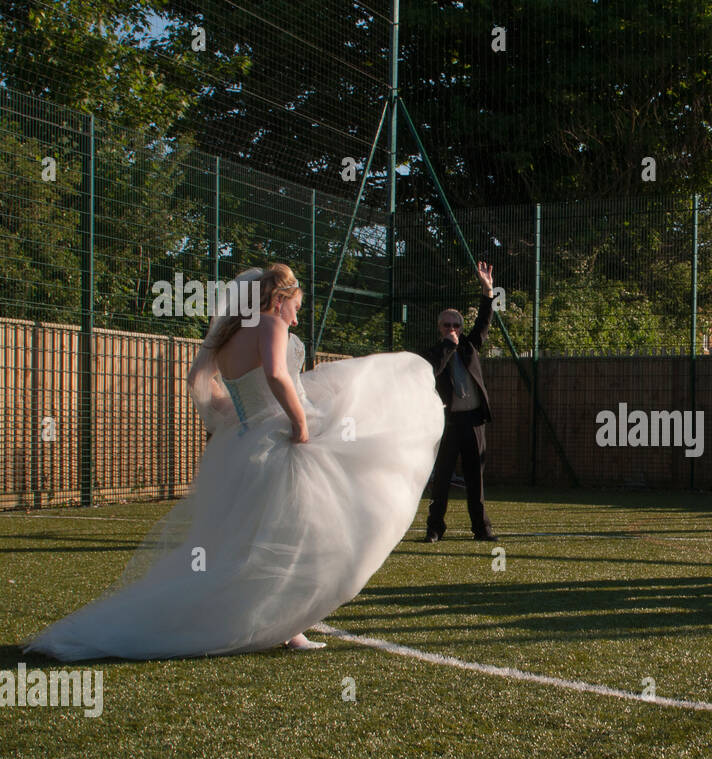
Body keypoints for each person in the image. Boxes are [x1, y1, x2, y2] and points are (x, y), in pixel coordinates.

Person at [25, 265, 442, 660]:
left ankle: (285, 623)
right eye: (296, 307)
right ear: (280, 299)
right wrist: (299, 424)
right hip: (279, 439)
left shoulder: (227, 338)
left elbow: (197, 381)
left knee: (251, 540)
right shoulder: (270, 324)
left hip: (242, 445)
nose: (296, 319)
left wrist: (235, 416)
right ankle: (280, 621)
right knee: (304, 530)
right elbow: (278, 375)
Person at [420, 262, 498, 543]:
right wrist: (447, 345)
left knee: (475, 478)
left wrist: (487, 289)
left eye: (456, 325)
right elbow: (432, 370)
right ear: (439, 328)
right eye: (447, 325)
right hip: (448, 422)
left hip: (474, 420)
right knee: (441, 477)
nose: (452, 328)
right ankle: (435, 527)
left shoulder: (471, 345)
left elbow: (485, 320)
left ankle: (481, 529)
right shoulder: (434, 351)